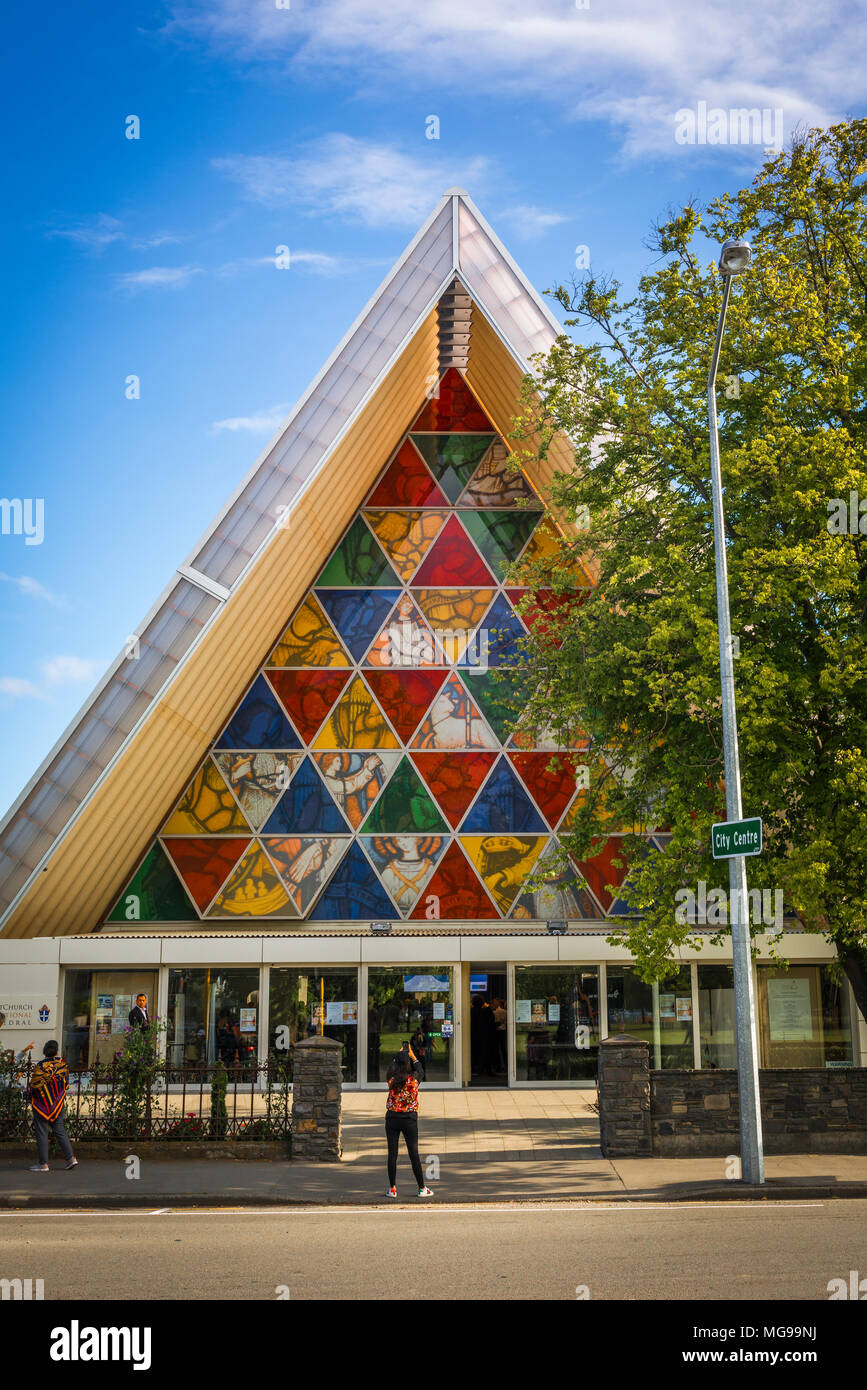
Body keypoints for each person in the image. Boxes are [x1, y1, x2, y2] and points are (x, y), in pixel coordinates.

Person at [384, 1044, 433, 1199]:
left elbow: (390, 1069)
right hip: (409, 1119)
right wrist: (413, 1057)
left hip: (392, 1118)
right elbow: (421, 1071)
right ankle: (422, 1188)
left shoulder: (391, 1080)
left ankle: (392, 1189)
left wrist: (397, 1057)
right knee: (413, 1153)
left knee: (392, 1154)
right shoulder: (413, 1081)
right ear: (407, 1064)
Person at [27, 1040, 78, 1173]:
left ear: (45, 1051)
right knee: (59, 1130)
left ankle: (43, 1164)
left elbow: (34, 1085)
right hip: (57, 1103)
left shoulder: (40, 1066)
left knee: (42, 1132)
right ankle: (71, 1159)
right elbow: (65, 1084)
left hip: (41, 1105)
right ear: (56, 1051)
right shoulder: (63, 1065)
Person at [492, 998, 507, 1074]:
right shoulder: (505, 1012)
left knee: (497, 1049)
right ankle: (505, 1065)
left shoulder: (494, 1012)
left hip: (497, 1031)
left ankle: (499, 1066)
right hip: (503, 1031)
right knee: (503, 1048)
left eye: (494, 1002)